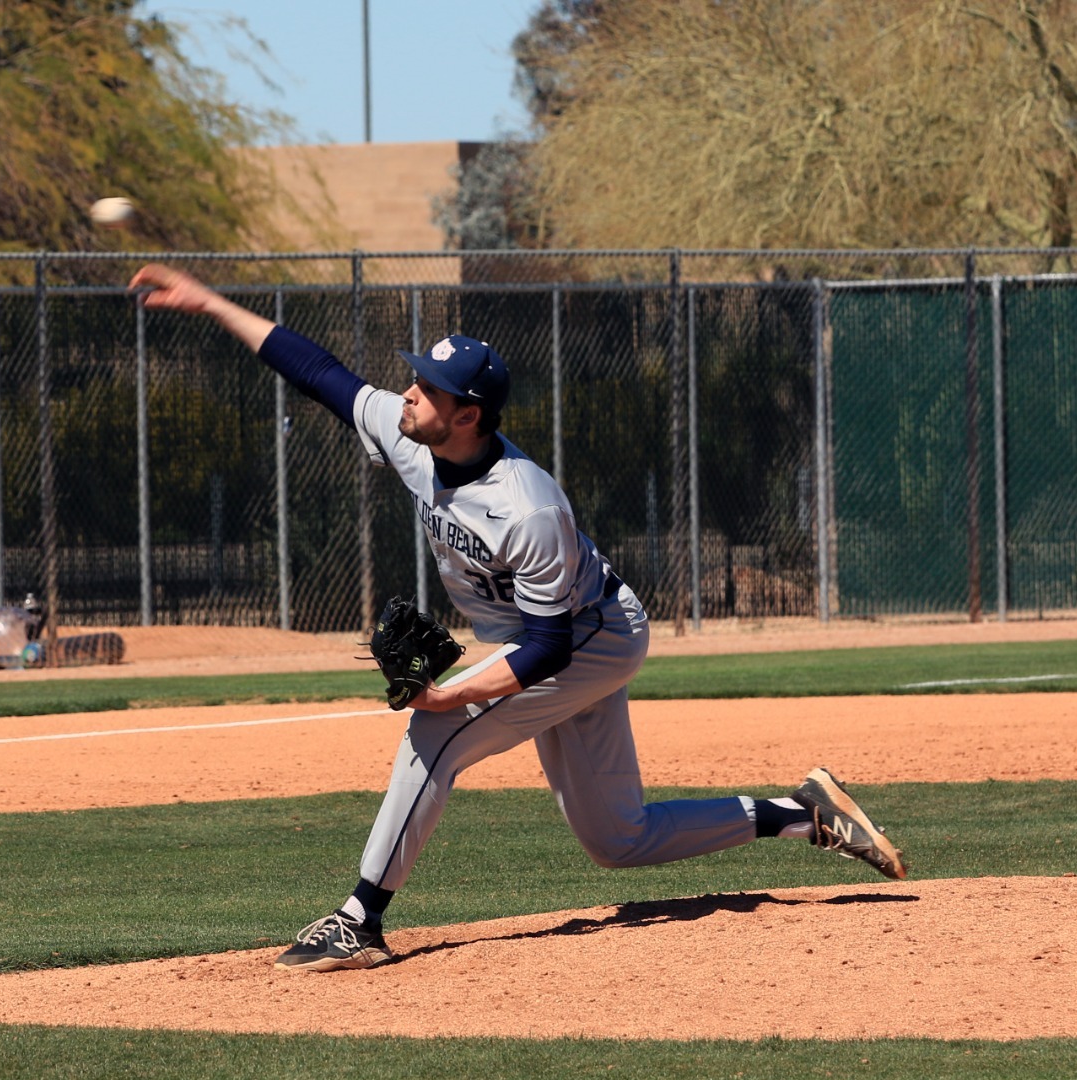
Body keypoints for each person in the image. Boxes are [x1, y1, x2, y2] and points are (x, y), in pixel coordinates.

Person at [127, 263, 906, 972]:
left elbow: (546, 647)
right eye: (414, 380)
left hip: (590, 638)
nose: (408, 393)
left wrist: (448, 696)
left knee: (435, 735)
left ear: (467, 414)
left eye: (427, 388)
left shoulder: (528, 506)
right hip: (566, 635)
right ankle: (800, 813)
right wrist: (209, 302)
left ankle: (360, 917)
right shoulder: (412, 444)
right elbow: (317, 373)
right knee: (617, 838)